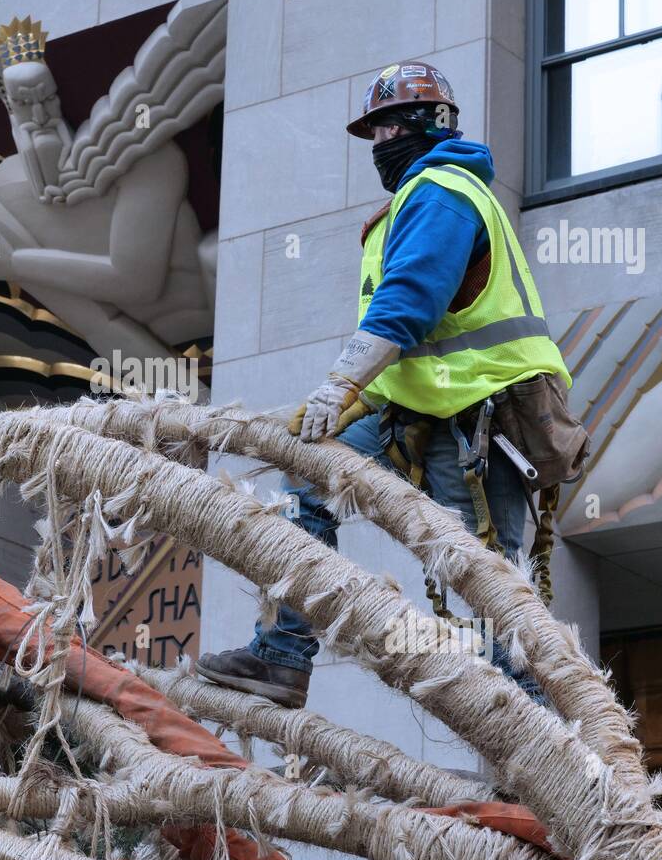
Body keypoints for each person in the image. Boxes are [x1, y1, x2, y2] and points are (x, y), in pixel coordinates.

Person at [197, 61, 572, 709]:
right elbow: (416, 341)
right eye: (373, 131)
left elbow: (409, 305)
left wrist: (336, 386)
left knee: (481, 586)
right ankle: (283, 657)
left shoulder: (443, 191)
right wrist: (356, 399)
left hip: (476, 422)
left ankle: (554, 751)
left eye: (388, 126)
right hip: (423, 409)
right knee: (305, 482)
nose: (378, 144)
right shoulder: (415, 200)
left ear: (428, 126)